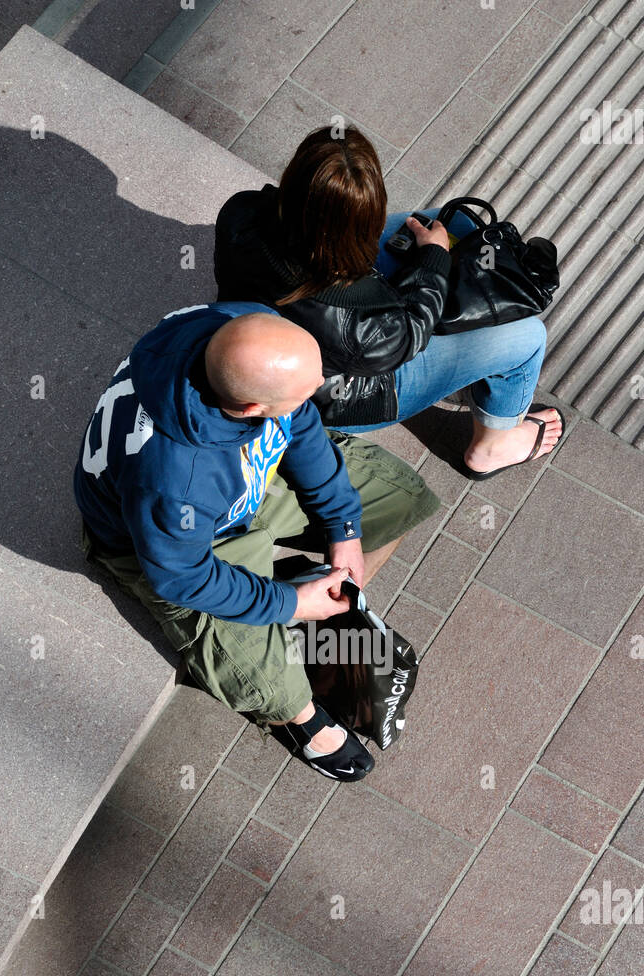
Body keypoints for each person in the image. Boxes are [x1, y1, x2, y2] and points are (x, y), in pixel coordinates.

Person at [73, 303, 440, 782]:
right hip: (177, 546)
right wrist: (288, 604)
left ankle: (287, 590)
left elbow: (300, 425)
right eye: (306, 389)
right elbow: (184, 576)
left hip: (234, 486)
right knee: (275, 686)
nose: (320, 389)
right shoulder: (173, 479)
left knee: (400, 497)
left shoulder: (241, 325)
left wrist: (343, 529)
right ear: (250, 409)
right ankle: (299, 717)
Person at [214, 126, 564, 478]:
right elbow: (410, 331)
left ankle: (470, 361)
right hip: (351, 393)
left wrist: (431, 253)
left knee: (448, 221)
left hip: (299, 304)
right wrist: (433, 260)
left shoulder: (242, 210)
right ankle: (490, 448)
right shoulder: (360, 329)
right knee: (529, 337)